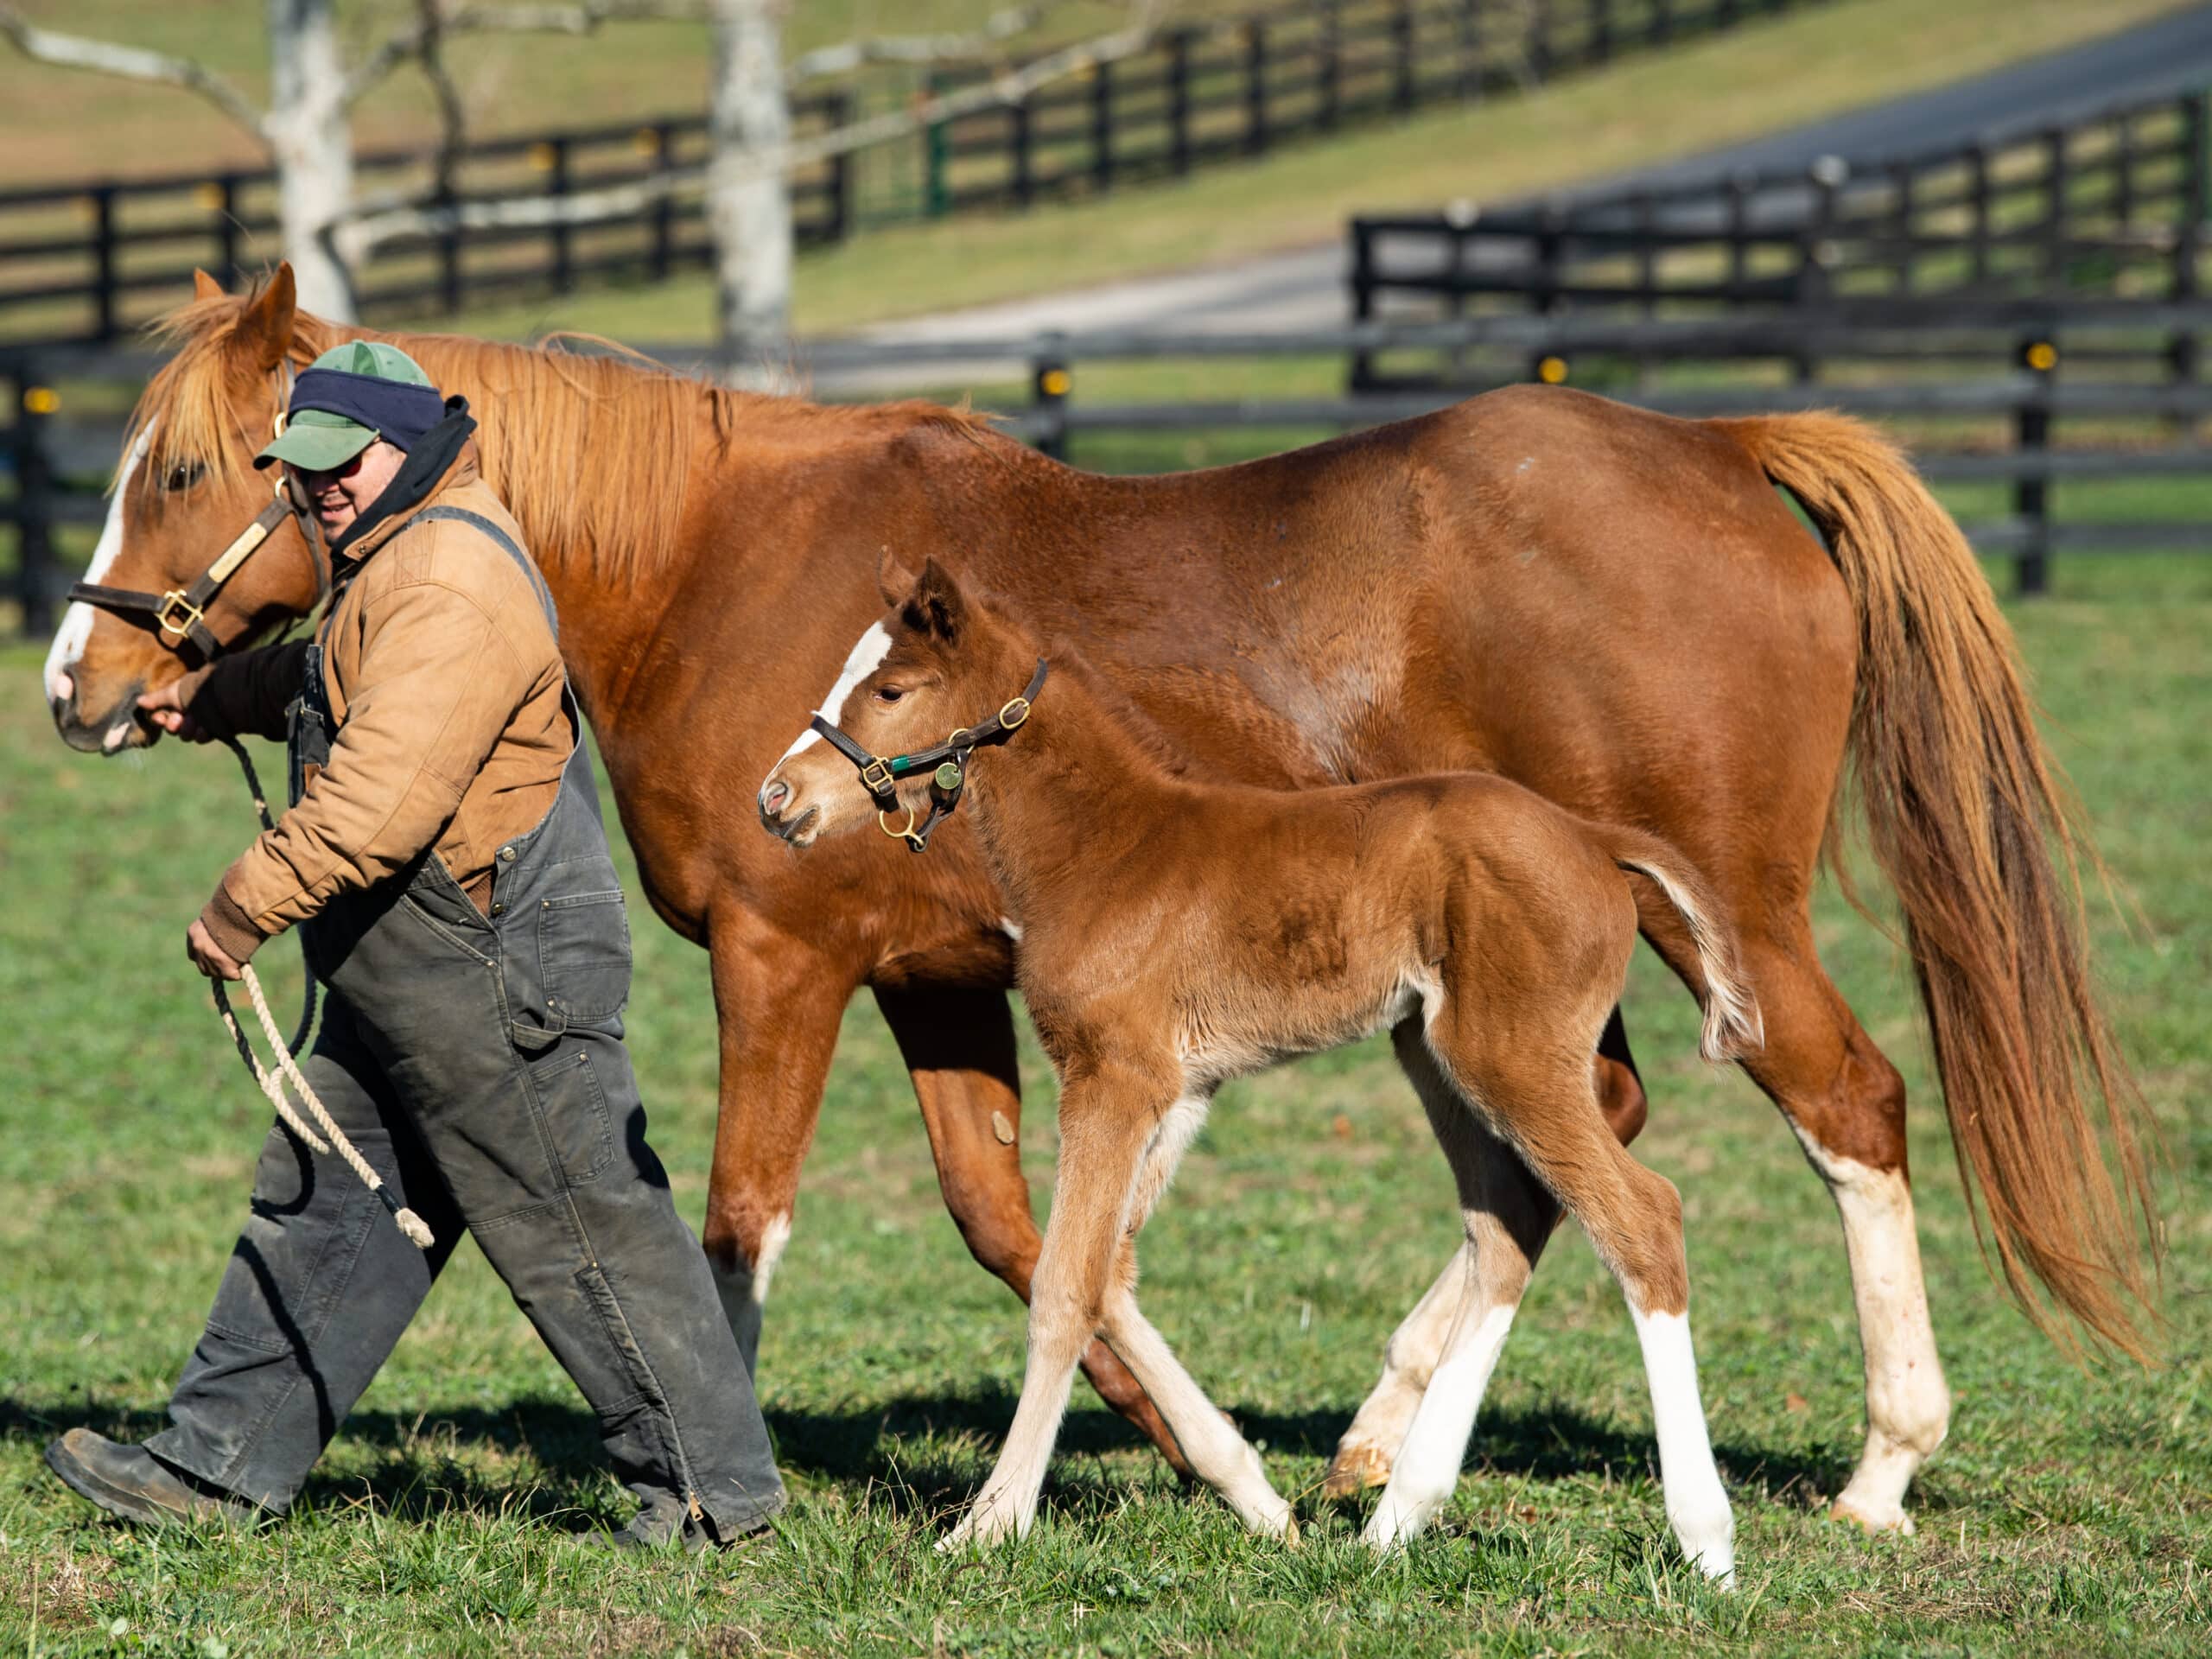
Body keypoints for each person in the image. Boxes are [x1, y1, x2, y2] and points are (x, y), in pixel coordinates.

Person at [45, 341, 785, 1551]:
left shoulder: (448, 578)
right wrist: (221, 694)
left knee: (579, 1225)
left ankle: (716, 1500)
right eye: (306, 470)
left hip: (492, 964)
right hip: (416, 964)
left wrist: (240, 908)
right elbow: (344, 680)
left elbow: (376, 802)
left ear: (409, 442)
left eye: (344, 466)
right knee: (327, 1209)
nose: (322, 489)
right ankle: (218, 1465)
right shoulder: (396, 548)